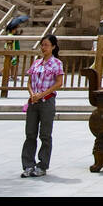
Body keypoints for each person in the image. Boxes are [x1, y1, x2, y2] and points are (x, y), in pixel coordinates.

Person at [21, 34, 64, 177]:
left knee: (45, 135)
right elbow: (29, 81)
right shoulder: (36, 63)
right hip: (34, 102)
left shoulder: (56, 63)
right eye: (42, 44)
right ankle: (28, 165)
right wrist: (32, 93)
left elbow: (59, 83)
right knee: (30, 133)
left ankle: (42, 165)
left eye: (46, 45)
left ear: (53, 47)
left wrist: (43, 94)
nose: (43, 47)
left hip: (47, 102)